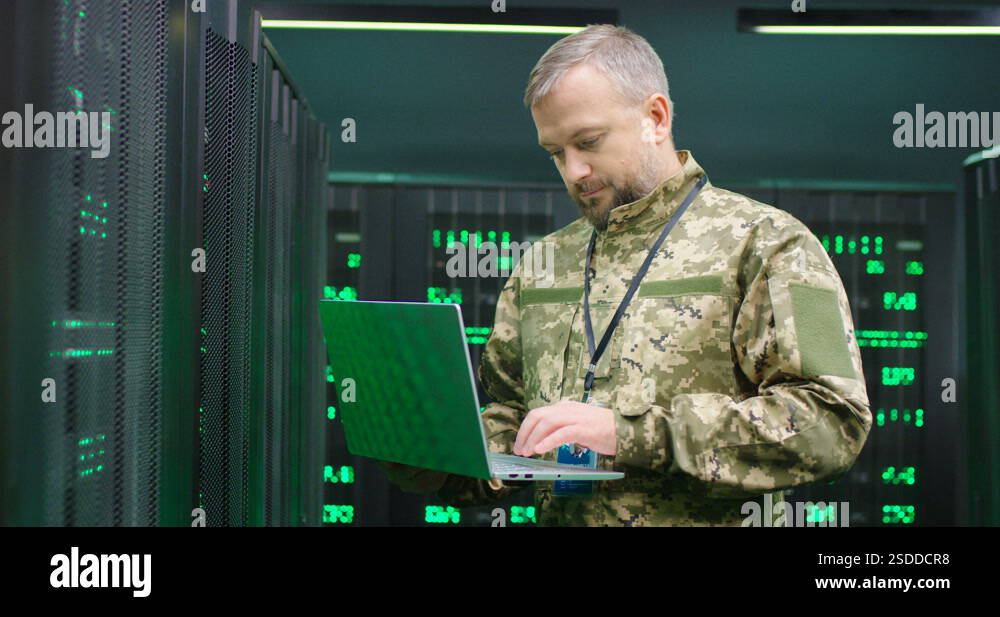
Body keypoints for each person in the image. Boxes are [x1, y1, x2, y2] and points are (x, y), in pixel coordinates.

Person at [379, 24, 872, 526]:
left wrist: (627, 433)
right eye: (555, 153)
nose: (573, 171)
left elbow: (832, 423)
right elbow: (514, 420)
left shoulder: (767, 243)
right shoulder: (543, 265)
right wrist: (442, 462)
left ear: (654, 118)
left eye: (588, 142)